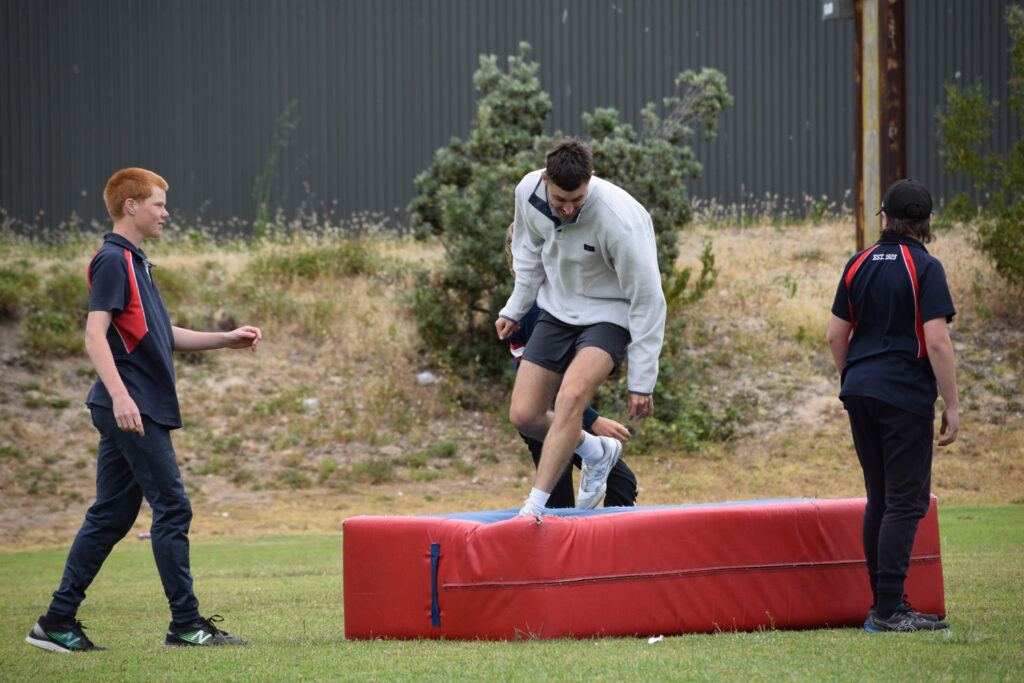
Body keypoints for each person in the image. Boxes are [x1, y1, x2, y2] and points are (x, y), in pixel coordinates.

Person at [26, 168, 262, 652]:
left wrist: (227, 339)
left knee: (111, 516)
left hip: (131, 406)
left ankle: (56, 621)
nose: (166, 213)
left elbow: (162, 335)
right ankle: (187, 624)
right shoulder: (113, 260)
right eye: (158, 204)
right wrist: (121, 396)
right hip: (132, 407)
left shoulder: (137, 263)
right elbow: (95, 335)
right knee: (173, 507)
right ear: (130, 206)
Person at [495, 138, 666, 516]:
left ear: (590, 179)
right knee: (524, 415)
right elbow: (525, 256)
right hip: (557, 310)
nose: (569, 208)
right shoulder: (528, 191)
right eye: (560, 201)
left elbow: (648, 299)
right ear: (544, 180)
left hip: (610, 314)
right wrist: (514, 308)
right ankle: (595, 450)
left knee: (570, 398)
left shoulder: (619, 220)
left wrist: (642, 380)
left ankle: (534, 508)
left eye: (578, 199)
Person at [826, 179, 957, 633]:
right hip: (904, 394)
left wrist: (852, 378)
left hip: (859, 388)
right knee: (904, 501)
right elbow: (937, 341)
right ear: (927, 222)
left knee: (880, 498)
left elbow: (834, 335)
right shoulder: (927, 266)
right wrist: (953, 405)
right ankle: (887, 611)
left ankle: (885, 601)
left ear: (883, 217)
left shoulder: (857, 263)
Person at [504, 224, 639, 508]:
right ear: (515, 257)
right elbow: (534, 380)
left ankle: (611, 544)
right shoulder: (528, 308)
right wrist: (591, 420)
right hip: (545, 417)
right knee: (559, 497)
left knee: (620, 481)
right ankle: (568, 548)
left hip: (564, 413)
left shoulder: (562, 298)